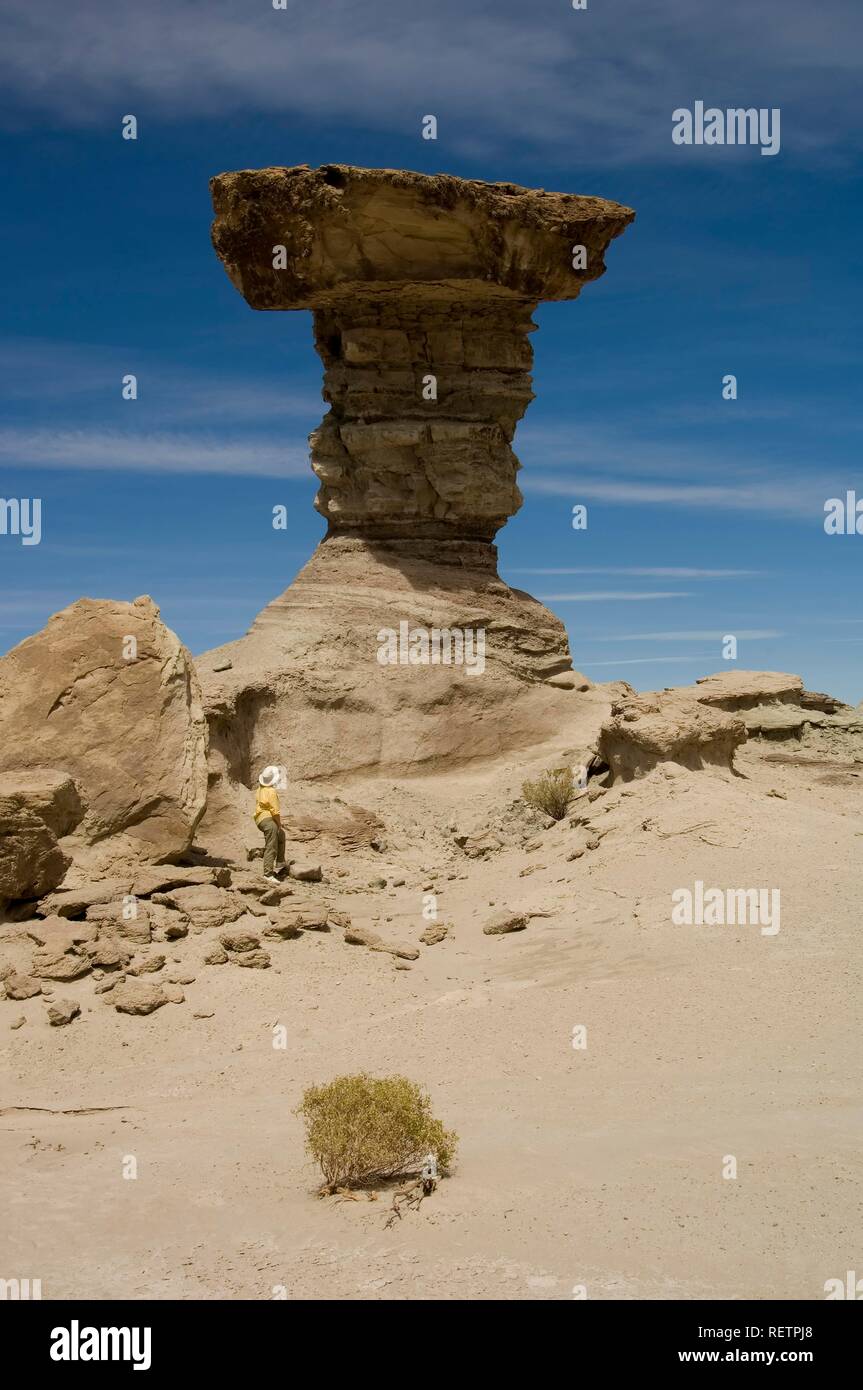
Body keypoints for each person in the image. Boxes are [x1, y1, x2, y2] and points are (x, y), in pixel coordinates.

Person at [254, 766, 286, 884]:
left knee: (281, 835)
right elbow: (275, 812)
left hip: (259, 819)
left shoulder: (260, 789)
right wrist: (279, 824)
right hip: (268, 820)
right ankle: (267, 874)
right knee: (271, 845)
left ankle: (280, 863)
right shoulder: (271, 791)